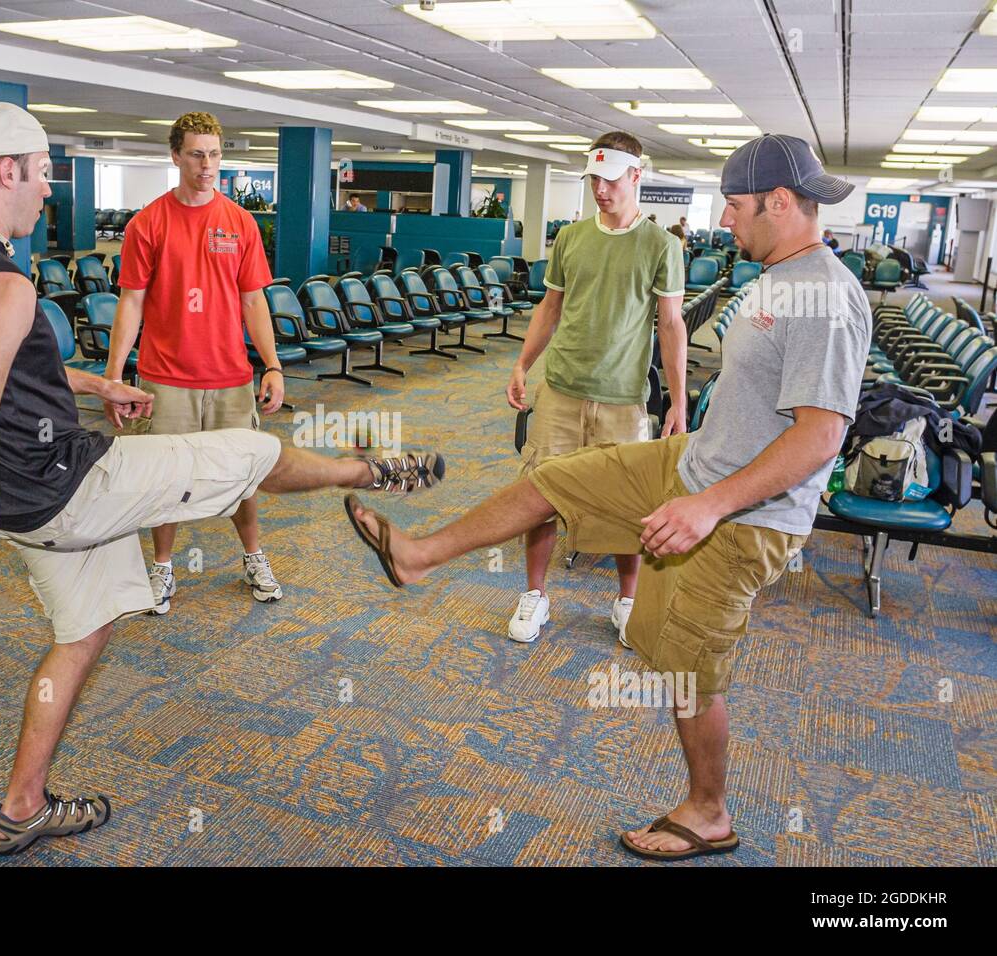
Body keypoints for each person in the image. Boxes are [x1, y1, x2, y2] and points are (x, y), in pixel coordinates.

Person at [0, 101, 448, 856]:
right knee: (250, 451)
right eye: (40, 176)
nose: (47, 191)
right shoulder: (5, 284)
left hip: (18, 505)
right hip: (69, 487)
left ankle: (21, 807)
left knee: (83, 633)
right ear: (5, 171)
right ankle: (370, 471)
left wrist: (96, 386)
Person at [344, 132, 871, 860]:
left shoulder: (824, 297)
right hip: (692, 466)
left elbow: (819, 437)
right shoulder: (779, 271)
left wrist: (710, 504)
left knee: (689, 668)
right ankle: (417, 555)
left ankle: (709, 810)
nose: (726, 217)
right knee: (555, 478)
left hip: (747, 515)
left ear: (781, 203)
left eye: (738, 204)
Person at [504, 131, 687, 645]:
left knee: (627, 505)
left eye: (609, 180)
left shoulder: (661, 245)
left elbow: (671, 325)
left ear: (635, 176)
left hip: (623, 397)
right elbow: (551, 308)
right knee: (540, 493)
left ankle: (627, 602)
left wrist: (677, 398)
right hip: (561, 388)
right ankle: (535, 595)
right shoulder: (570, 239)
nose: (600, 191)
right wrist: (522, 363)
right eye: (593, 180)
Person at [106, 111, 289, 613]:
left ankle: (253, 556)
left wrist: (271, 365)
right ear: (175, 156)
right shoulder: (149, 223)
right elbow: (132, 302)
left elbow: (254, 301)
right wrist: (114, 375)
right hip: (166, 379)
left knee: (243, 477)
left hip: (230, 378)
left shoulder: (240, 222)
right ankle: (163, 568)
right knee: (166, 481)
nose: (206, 165)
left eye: (213, 154)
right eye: (195, 154)